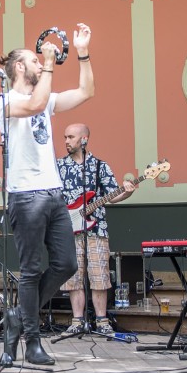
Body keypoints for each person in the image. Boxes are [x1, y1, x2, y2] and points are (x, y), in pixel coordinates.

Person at [0, 23, 94, 366]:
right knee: (32, 268)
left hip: (53, 193)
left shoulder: (45, 98)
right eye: (34, 61)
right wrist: (50, 64)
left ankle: (18, 317)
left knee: (66, 263)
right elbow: (36, 106)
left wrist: (82, 52)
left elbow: (85, 92)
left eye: (42, 61)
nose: (41, 64)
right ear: (20, 67)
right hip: (25, 195)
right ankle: (32, 343)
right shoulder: (5, 101)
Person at [57, 123, 136, 336]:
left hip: (97, 229)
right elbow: (51, 198)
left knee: (99, 277)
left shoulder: (100, 166)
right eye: (65, 137)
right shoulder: (58, 166)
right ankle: (76, 321)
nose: (66, 141)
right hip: (69, 230)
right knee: (74, 278)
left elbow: (113, 194)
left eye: (71, 137)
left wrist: (127, 192)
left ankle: (102, 322)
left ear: (84, 139)